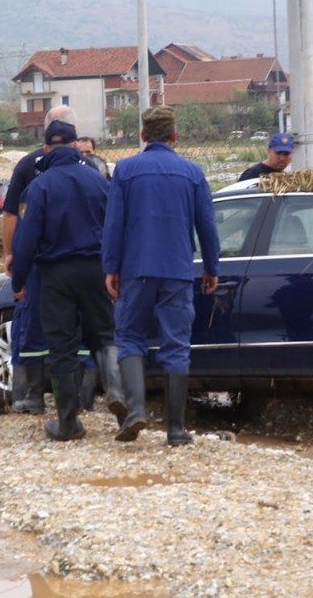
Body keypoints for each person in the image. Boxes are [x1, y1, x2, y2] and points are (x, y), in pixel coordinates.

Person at [102, 105, 221, 446]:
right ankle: (176, 430)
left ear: (143, 136)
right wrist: (212, 267)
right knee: (176, 345)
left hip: (135, 269)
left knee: (129, 338)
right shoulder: (192, 172)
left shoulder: (125, 170)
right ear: (174, 135)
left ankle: (137, 409)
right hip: (177, 271)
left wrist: (111, 267)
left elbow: (114, 225)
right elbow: (208, 227)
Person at [10, 118, 123, 441]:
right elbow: (116, 226)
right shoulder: (99, 181)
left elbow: (26, 241)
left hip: (55, 275)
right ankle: (116, 390)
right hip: (96, 269)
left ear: (46, 149)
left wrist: (19, 281)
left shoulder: (39, 187)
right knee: (104, 334)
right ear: (76, 146)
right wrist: (116, 269)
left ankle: (69, 422)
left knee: (61, 347)